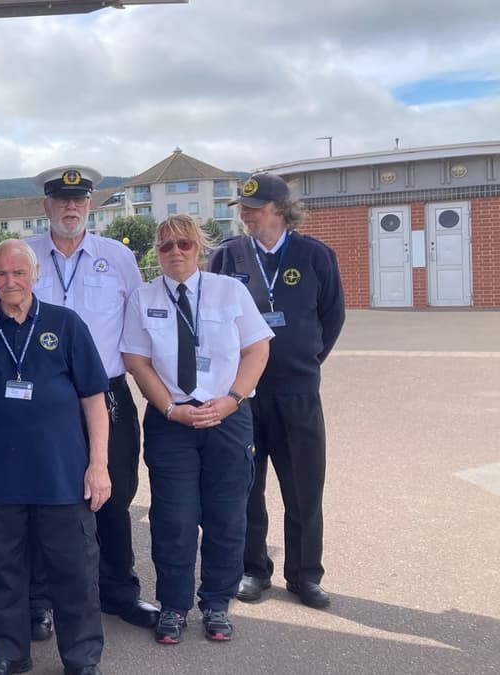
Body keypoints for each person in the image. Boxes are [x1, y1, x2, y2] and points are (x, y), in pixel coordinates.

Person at [0, 238, 110, 675]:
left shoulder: (66, 324)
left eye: (19, 272)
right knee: (3, 571)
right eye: (1, 274)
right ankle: (8, 655)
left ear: (35, 275)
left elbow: (95, 399)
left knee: (74, 573)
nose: (10, 281)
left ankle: (81, 659)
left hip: (63, 476)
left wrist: (99, 465)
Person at [121, 215, 272, 644]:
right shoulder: (143, 296)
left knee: (226, 516)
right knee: (174, 518)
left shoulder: (230, 291)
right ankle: (173, 606)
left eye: (183, 244)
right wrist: (170, 409)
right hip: (172, 421)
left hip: (227, 416)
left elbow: (257, 348)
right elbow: (137, 361)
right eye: (165, 246)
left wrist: (233, 400)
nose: (174, 252)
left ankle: (217, 604)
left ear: (199, 248)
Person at [28, 165, 160, 634]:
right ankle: (40, 600)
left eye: (79, 200)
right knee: (45, 498)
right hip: (46, 401)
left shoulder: (118, 257)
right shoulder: (25, 257)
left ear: (89, 205)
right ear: (45, 206)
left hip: (108, 393)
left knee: (115, 494)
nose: (71, 207)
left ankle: (119, 592)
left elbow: (135, 331)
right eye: (62, 200)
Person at [210, 172, 345, 609]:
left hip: (298, 393)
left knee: (304, 486)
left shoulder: (315, 255)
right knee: (247, 486)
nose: (246, 215)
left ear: (280, 209)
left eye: (255, 207)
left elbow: (332, 318)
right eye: (243, 208)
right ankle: (253, 569)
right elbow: (212, 318)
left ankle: (305, 575)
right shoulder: (228, 256)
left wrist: (303, 359)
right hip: (244, 394)